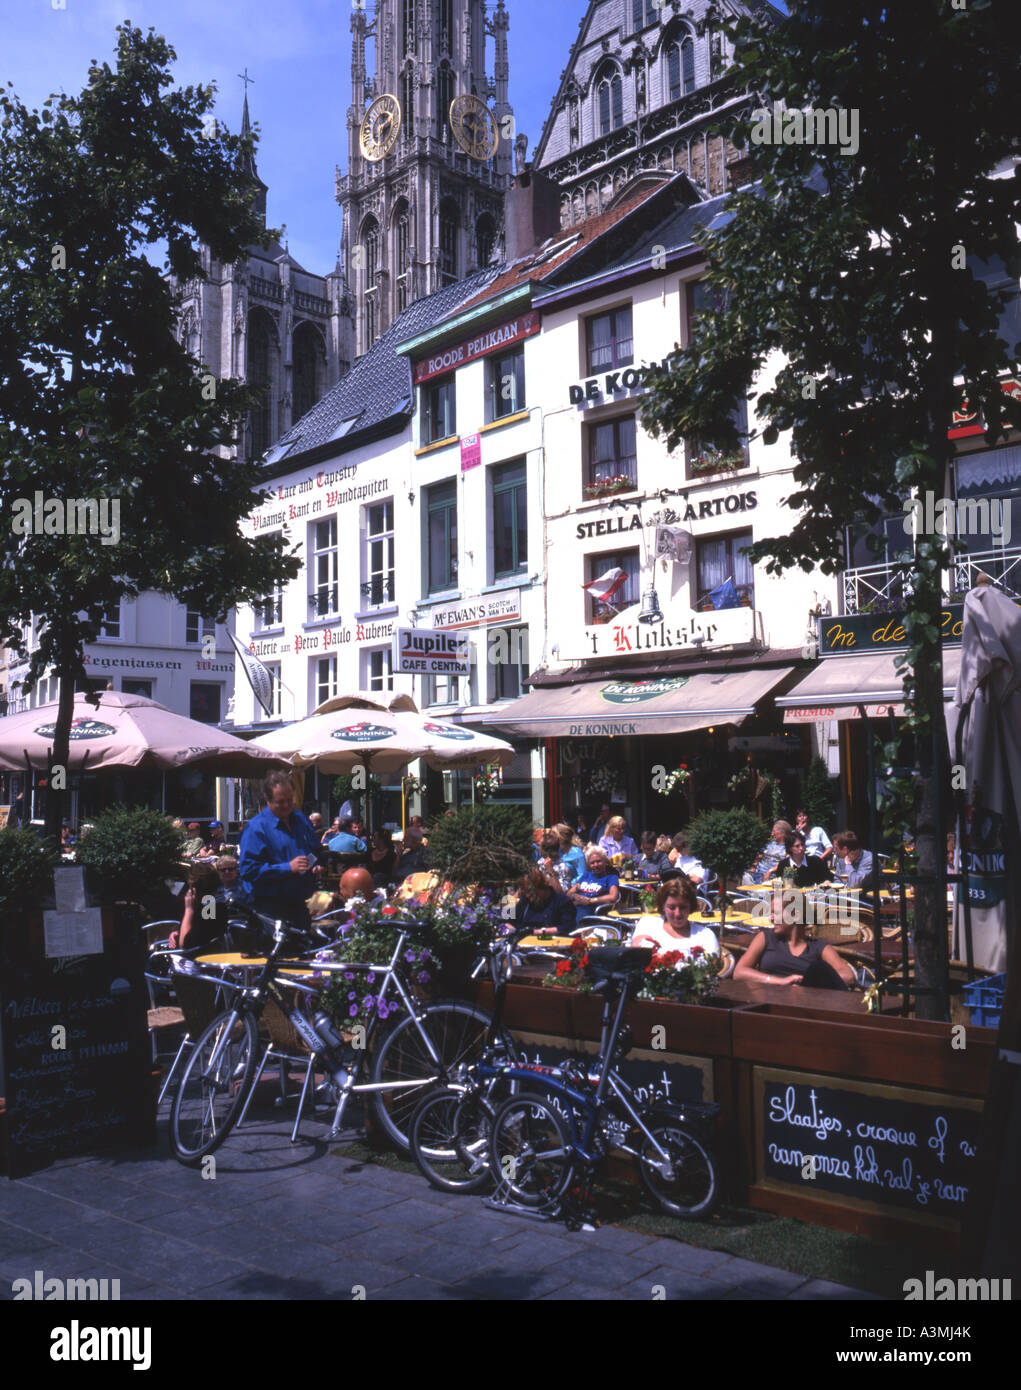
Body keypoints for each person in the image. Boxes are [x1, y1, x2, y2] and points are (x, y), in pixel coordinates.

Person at [239, 771, 322, 930]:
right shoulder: (256, 829)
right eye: (280, 801)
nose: (286, 805)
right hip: (269, 911)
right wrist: (287, 868)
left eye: (290, 800)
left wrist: (315, 864)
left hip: (298, 906)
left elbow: (316, 850)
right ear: (268, 801)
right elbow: (248, 870)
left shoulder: (301, 819)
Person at [734, 894, 856, 990]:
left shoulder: (818, 947)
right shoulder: (766, 938)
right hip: (769, 1004)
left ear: (796, 915)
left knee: (818, 968)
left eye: (775, 913)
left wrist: (806, 983)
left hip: (805, 1006)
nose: (770, 918)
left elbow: (848, 976)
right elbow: (739, 972)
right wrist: (781, 981)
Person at [169, 858, 252, 950]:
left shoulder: (209, 908)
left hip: (195, 959)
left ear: (194, 888)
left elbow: (185, 945)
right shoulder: (209, 904)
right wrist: (177, 931)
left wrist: (189, 910)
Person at [631, 877, 719, 960]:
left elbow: (713, 968)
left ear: (690, 907)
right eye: (672, 907)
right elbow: (637, 955)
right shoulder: (648, 924)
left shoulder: (705, 935)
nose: (678, 914)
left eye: (683, 907)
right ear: (662, 906)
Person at [513, 866, 576, 933]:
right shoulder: (525, 901)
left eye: (530, 892)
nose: (527, 896)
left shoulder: (562, 901)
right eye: (525, 892)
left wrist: (535, 932)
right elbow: (509, 920)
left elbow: (567, 927)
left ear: (541, 886)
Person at [567, 848, 620, 924]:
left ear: (604, 861)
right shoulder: (586, 875)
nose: (596, 865)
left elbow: (613, 896)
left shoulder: (611, 877)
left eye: (598, 861)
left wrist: (590, 901)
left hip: (594, 910)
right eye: (592, 863)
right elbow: (569, 893)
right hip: (578, 906)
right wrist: (575, 896)